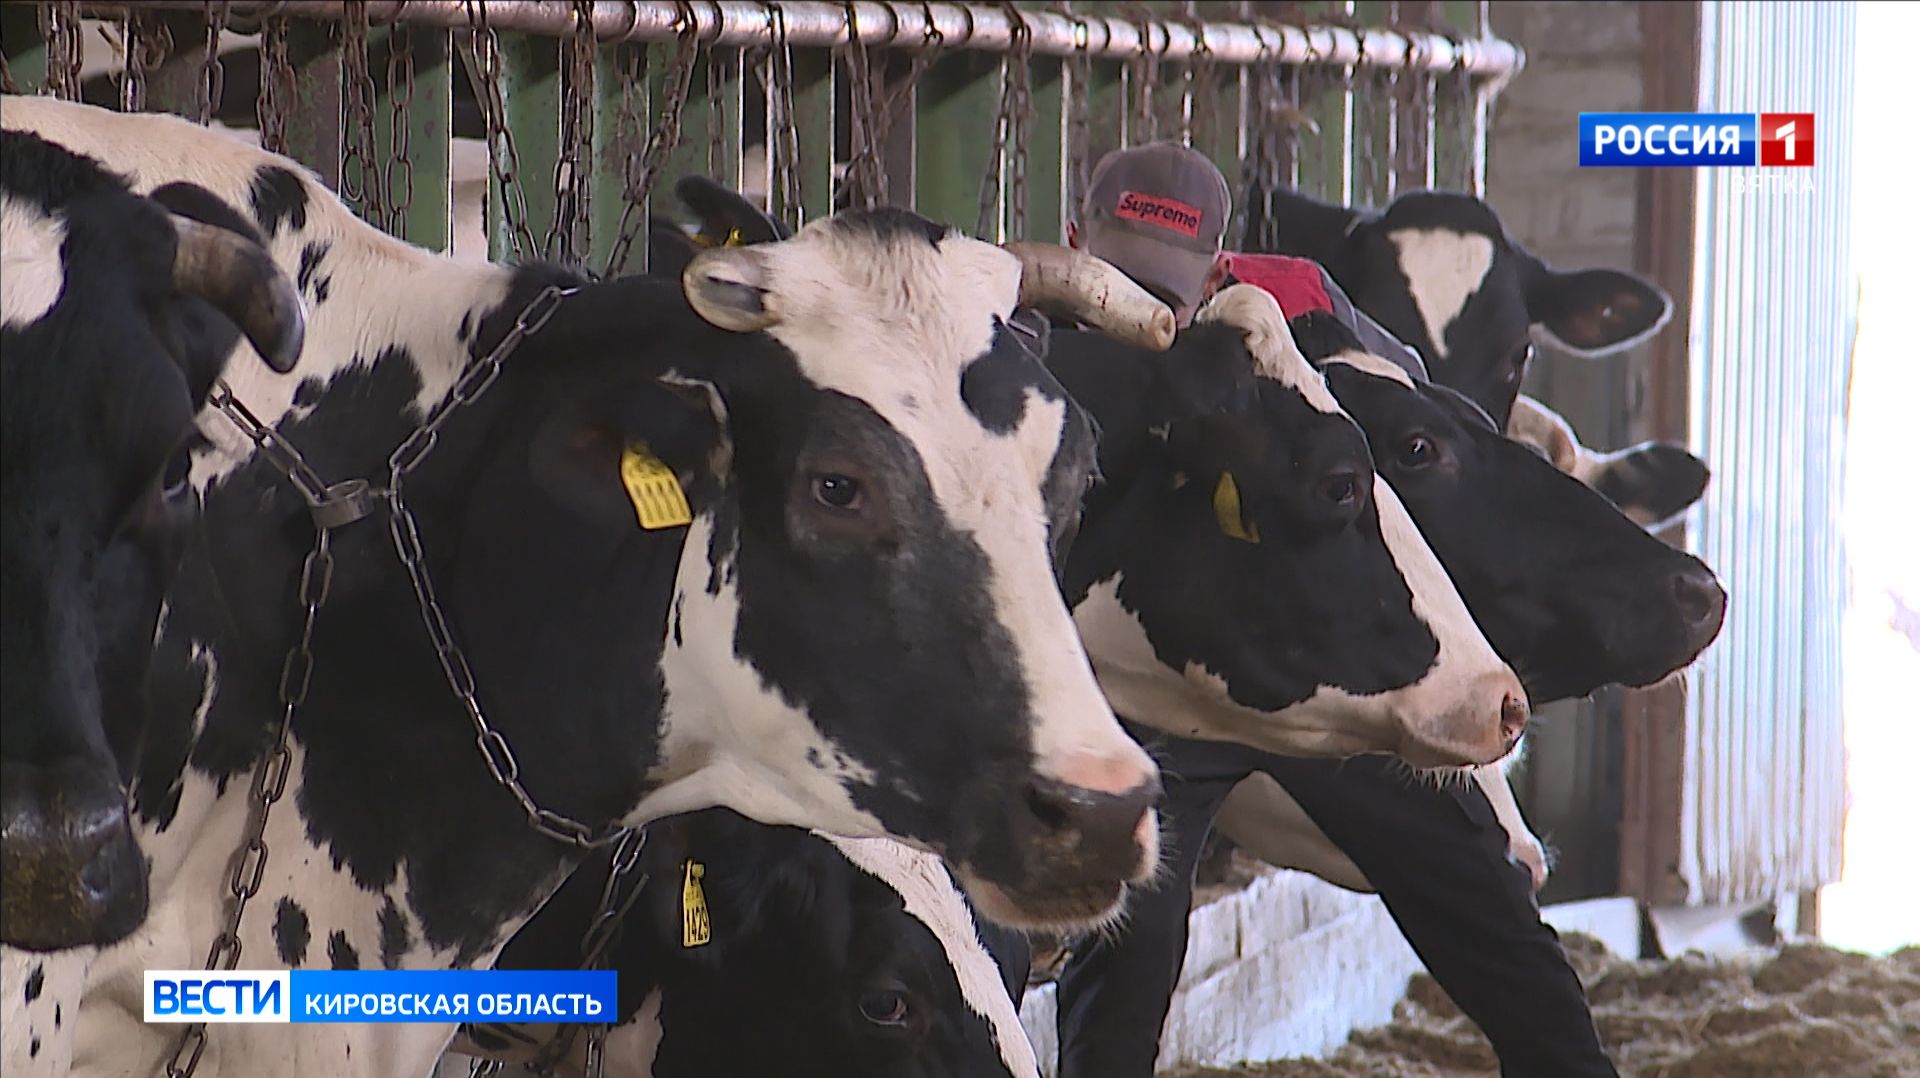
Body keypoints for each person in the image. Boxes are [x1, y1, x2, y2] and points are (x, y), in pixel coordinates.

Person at [1011, 142, 1621, 1078]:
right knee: (1129, 943)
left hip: (1314, 661)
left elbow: (1402, 416)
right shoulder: (1033, 346)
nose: (1141, 306)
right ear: (1073, 243)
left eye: (1167, 289)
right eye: (1121, 276)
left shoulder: (1291, 304)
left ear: (1220, 271)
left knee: (1475, 880)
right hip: (1149, 690)